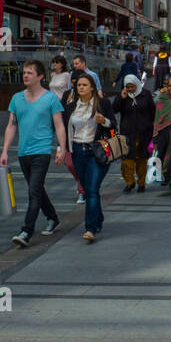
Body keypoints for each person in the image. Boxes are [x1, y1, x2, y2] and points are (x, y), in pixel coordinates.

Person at [0, 59, 68, 247]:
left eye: (30, 72)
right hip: (23, 152)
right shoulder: (17, 98)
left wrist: (61, 148)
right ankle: (52, 217)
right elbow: (11, 125)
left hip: (42, 151)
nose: (25, 75)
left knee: (33, 191)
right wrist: (5, 151)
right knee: (36, 189)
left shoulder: (50, 99)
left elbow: (59, 126)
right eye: (24, 72)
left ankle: (26, 231)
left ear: (40, 76)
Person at [64, 71, 115, 243]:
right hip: (78, 151)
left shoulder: (102, 104)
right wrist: (63, 149)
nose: (81, 88)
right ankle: (98, 218)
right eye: (79, 85)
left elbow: (114, 125)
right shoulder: (71, 107)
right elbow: (66, 129)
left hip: (97, 151)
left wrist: (104, 121)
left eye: (85, 85)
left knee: (92, 189)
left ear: (92, 87)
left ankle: (90, 228)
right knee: (88, 189)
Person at [116, 74, 155, 192]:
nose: (130, 89)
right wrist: (121, 98)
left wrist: (151, 128)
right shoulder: (123, 96)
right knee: (127, 160)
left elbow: (152, 111)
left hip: (144, 133)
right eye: (127, 87)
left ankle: (141, 183)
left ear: (137, 84)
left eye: (132, 86)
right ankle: (130, 182)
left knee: (141, 160)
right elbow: (114, 109)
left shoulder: (146, 94)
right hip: (127, 133)